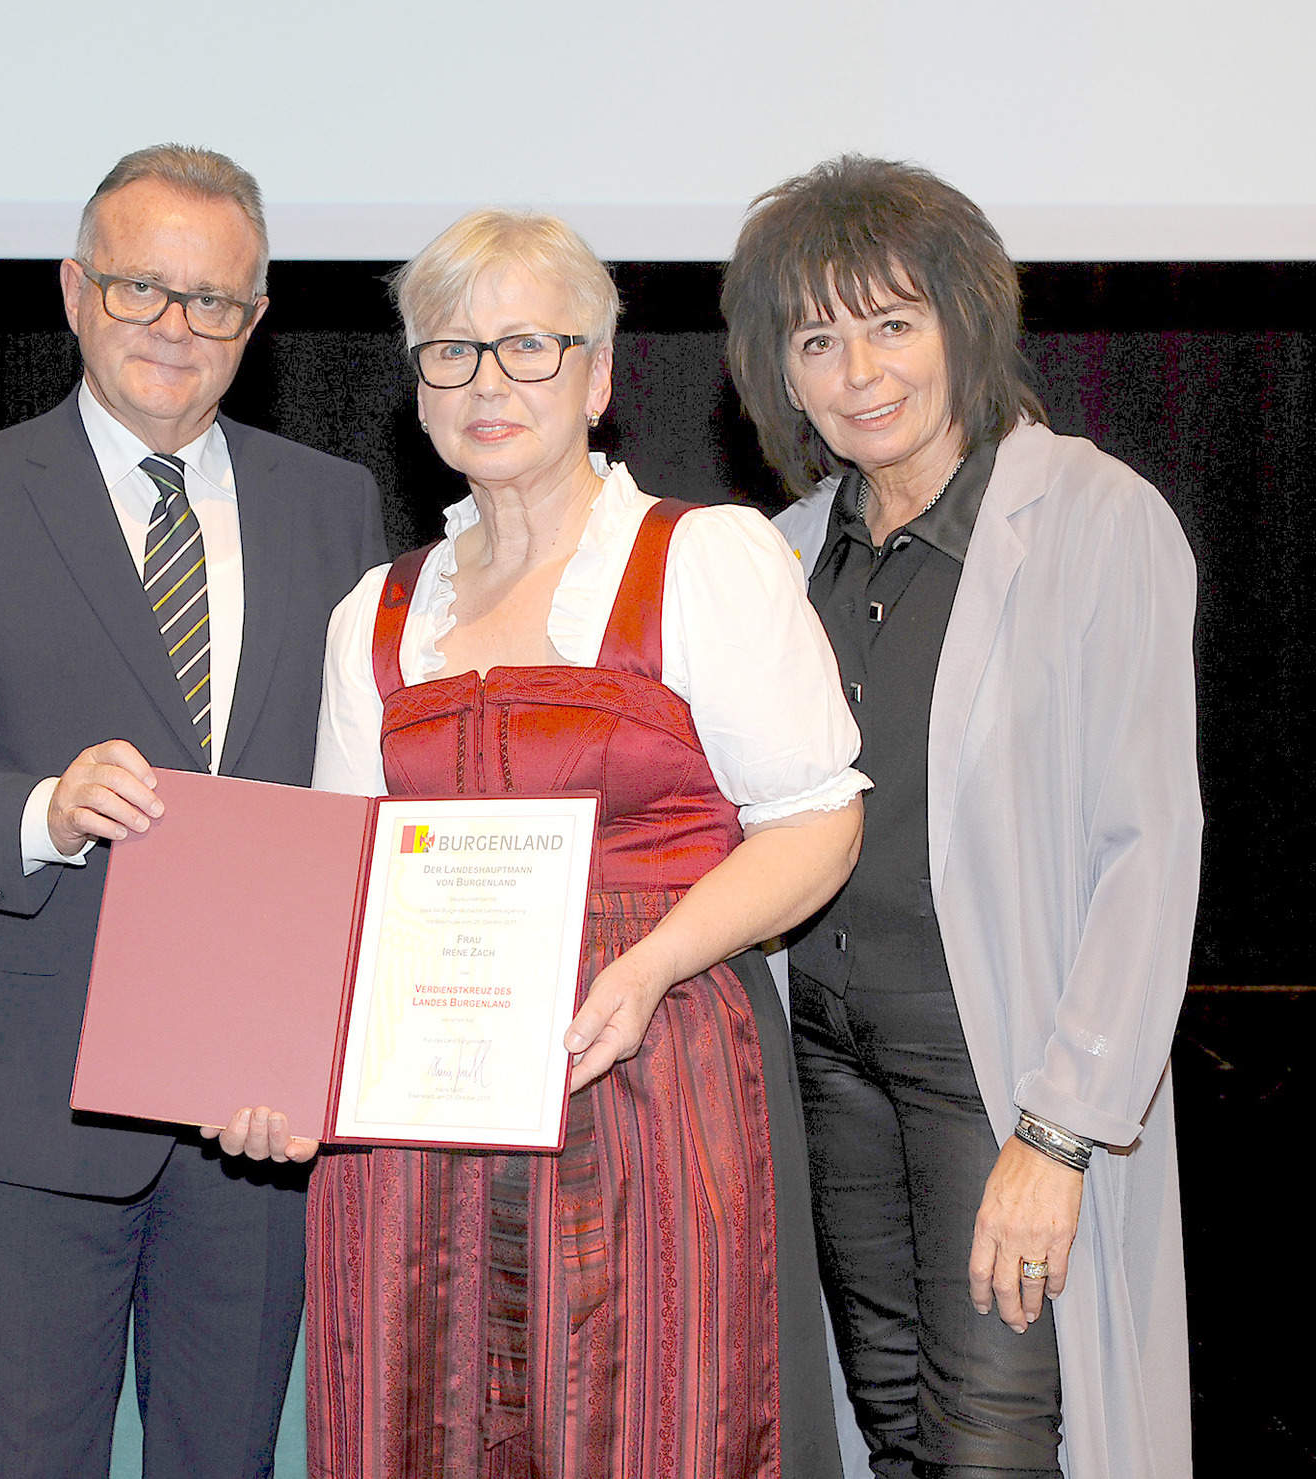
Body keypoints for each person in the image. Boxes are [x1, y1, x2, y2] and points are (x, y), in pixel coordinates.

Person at [264, 208, 865, 1478]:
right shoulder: (372, 615)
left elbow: (815, 820)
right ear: (416, 387)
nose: (488, 381)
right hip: (420, 1107)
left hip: (653, 1063)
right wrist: (268, 1066)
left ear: (596, 378)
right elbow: (332, 885)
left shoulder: (703, 558)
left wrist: (646, 970)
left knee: (662, 1413)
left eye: (528, 346)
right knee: (419, 1419)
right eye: (451, 351)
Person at [0, 144, 387, 1479]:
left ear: (255, 324)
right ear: (75, 291)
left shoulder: (335, 504)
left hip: (256, 1112)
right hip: (30, 1100)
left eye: (211, 300)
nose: (173, 326)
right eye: (142, 287)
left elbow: (366, 791)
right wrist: (30, 815)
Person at [723, 156, 1199, 1479]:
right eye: (817, 337)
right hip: (824, 1067)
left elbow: (1148, 850)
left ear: (963, 323)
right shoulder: (784, 552)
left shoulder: (1096, 521)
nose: (859, 370)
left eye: (893, 321)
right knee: (889, 1427)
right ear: (780, 368)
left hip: (999, 1077)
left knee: (995, 1442)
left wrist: (1060, 1131)